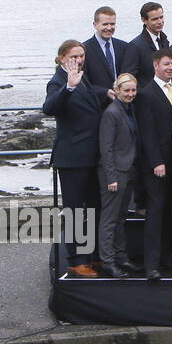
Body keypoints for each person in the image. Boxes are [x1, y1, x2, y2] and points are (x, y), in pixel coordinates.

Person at [44, 40, 104, 278]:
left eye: (81, 56)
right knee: (75, 211)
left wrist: (108, 91)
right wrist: (68, 87)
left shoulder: (82, 75)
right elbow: (49, 107)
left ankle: (91, 256)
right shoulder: (59, 81)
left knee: (93, 208)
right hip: (72, 158)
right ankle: (76, 261)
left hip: (90, 155)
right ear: (61, 58)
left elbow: (91, 97)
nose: (79, 60)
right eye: (73, 56)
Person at [135, 48, 172, 279]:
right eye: (166, 64)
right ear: (156, 66)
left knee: (170, 213)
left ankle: (167, 256)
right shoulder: (146, 93)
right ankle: (151, 264)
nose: (171, 68)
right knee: (155, 213)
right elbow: (147, 132)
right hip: (157, 164)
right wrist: (156, 161)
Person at [96, 73, 142, 278]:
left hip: (128, 169)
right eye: (126, 90)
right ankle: (108, 261)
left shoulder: (129, 109)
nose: (130, 94)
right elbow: (105, 148)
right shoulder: (111, 113)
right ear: (117, 90)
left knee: (122, 217)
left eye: (133, 90)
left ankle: (121, 257)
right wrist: (111, 177)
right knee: (110, 219)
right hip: (114, 173)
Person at [83, 6, 127, 104]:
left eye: (112, 24)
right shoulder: (84, 50)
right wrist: (104, 92)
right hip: (97, 105)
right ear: (95, 25)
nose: (109, 28)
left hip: (123, 104)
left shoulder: (123, 47)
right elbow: (84, 84)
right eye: (105, 24)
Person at [120, 1, 169, 85]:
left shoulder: (164, 41)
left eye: (161, 17)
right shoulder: (135, 46)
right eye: (155, 19)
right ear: (144, 20)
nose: (160, 21)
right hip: (146, 95)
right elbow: (128, 77)